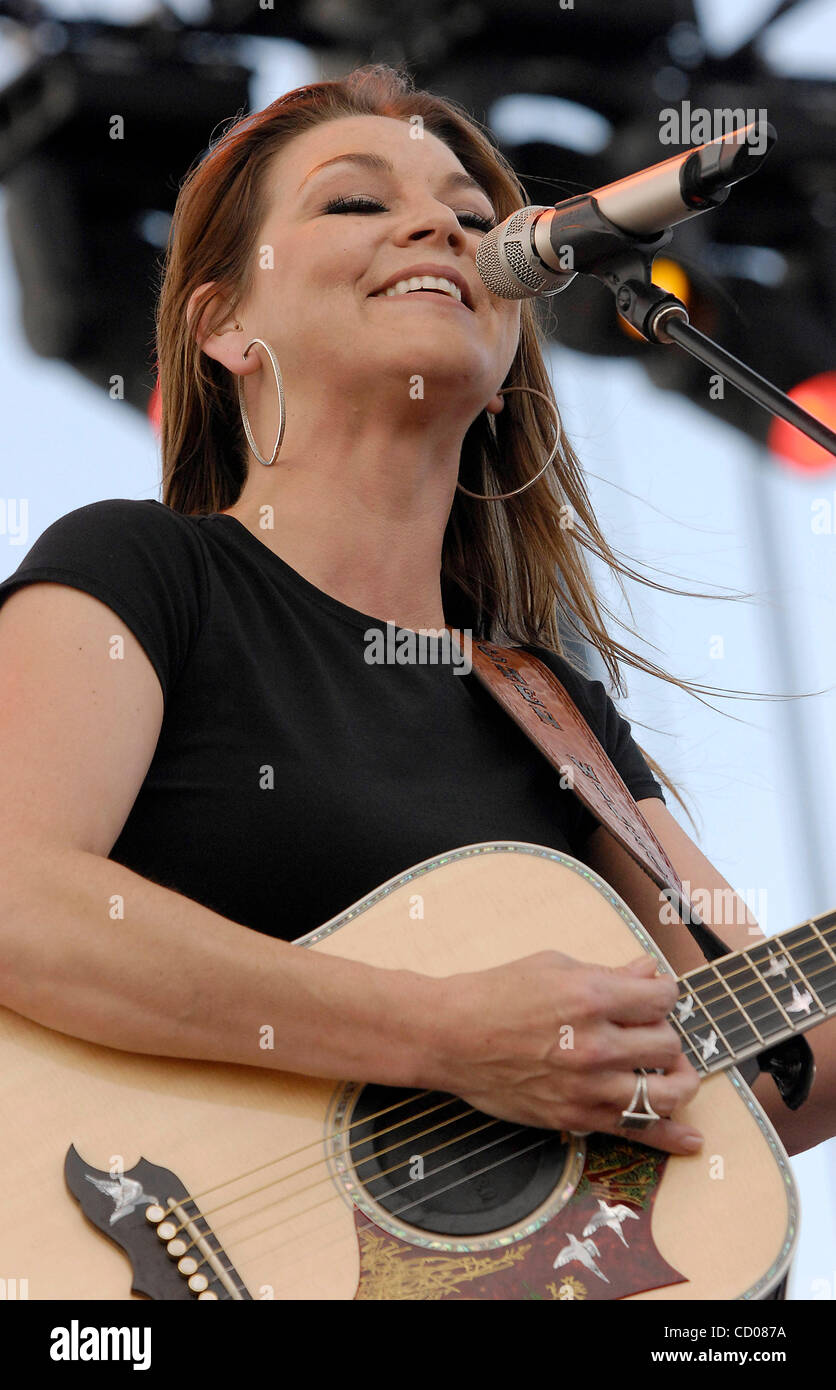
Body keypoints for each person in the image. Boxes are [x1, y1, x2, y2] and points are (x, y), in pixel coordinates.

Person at [0, 64, 832, 1173]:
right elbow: (20, 896)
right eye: (355, 202)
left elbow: (778, 1059)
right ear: (224, 325)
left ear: (500, 372)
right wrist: (444, 1037)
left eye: (474, 219)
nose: (439, 230)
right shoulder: (140, 569)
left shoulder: (548, 710)